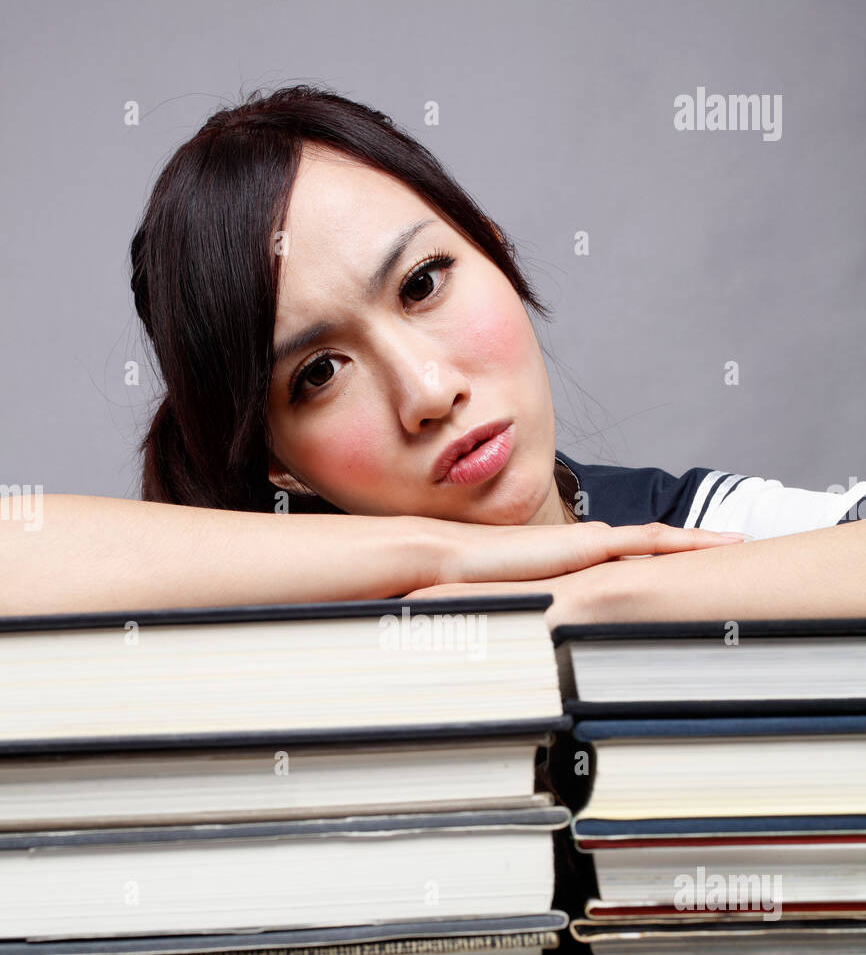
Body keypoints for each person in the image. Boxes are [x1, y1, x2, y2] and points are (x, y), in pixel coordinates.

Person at [2, 85, 863, 626]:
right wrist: (432, 557)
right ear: (280, 464)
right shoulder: (259, 623)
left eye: (422, 283)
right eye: (318, 374)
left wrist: (598, 594)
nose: (426, 390)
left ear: (494, 251)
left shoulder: (693, 526)